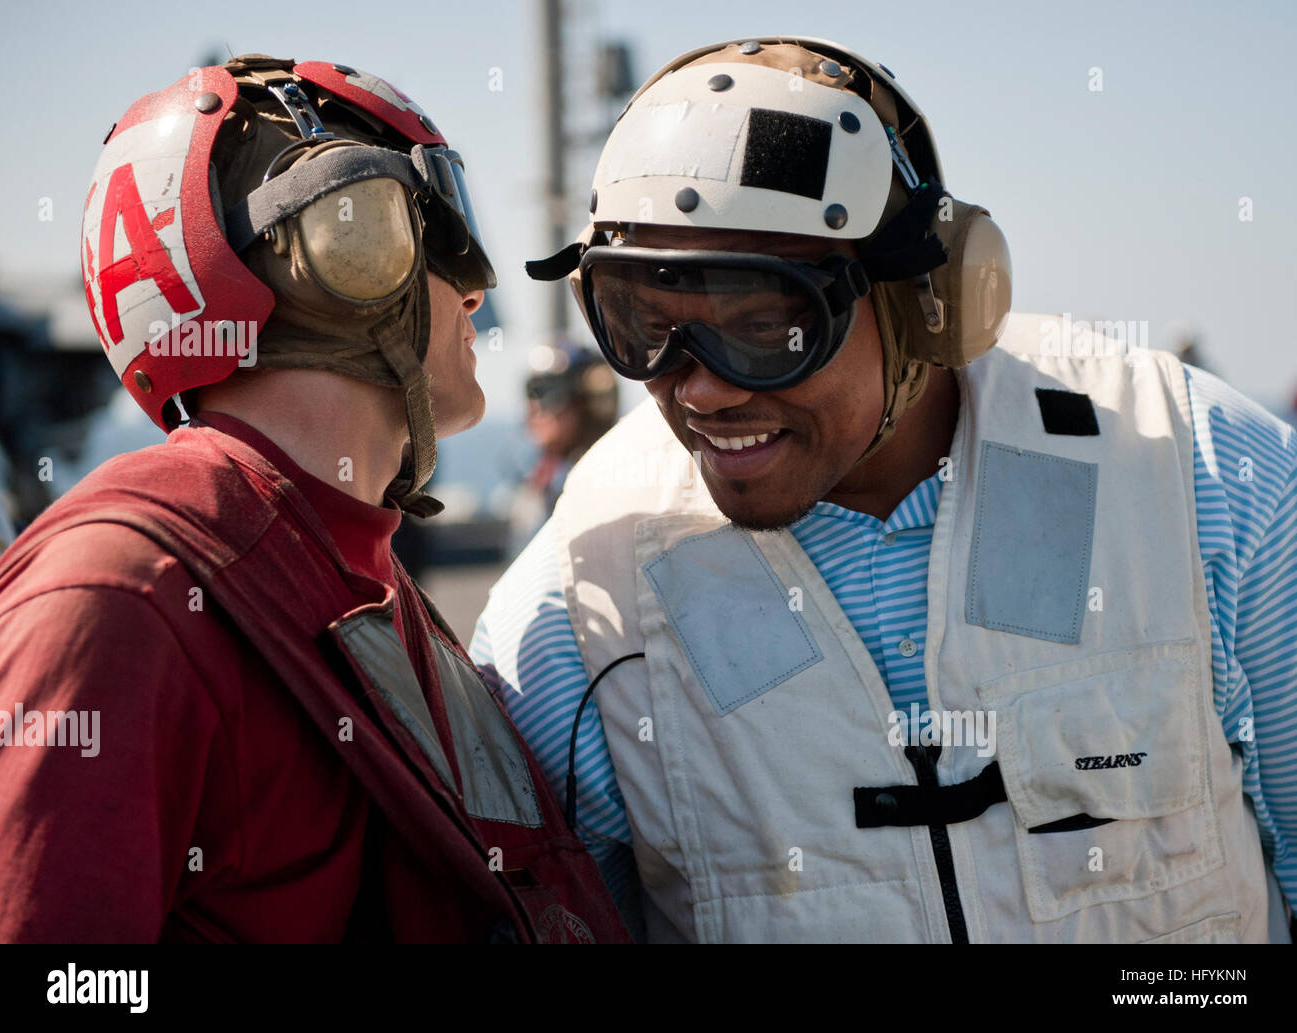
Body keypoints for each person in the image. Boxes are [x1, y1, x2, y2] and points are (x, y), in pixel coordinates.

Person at [471, 37, 1297, 943]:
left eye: (767, 325)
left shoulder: (1201, 476)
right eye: (643, 324)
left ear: (927, 301)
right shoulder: (579, 604)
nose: (701, 388)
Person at [0, 54, 627, 944]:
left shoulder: (348, 570)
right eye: (438, 228)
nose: (477, 289)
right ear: (348, 242)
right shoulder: (121, 600)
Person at [510, 339, 618, 550]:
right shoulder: (541, 479)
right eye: (532, 392)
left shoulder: (606, 484)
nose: (533, 408)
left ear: (589, 404)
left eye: (547, 393)